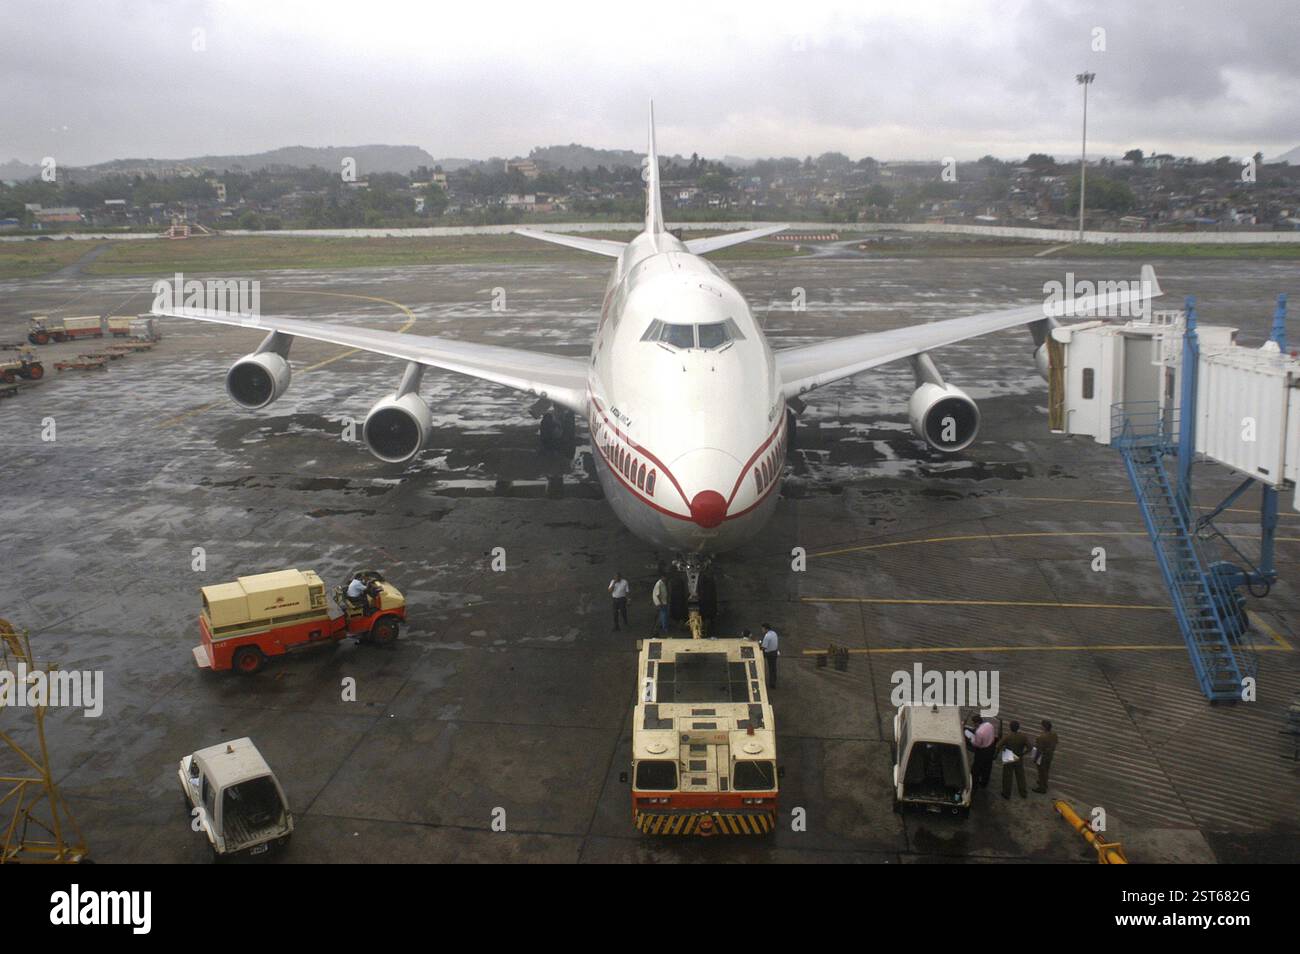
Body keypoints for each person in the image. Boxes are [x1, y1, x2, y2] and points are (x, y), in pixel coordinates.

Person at [997, 720, 1031, 799]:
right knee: (1020, 775)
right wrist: (1023, 753)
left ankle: (1006, 793)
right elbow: (1030, 748)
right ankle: (1023, 793)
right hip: (1019, 756)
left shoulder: (1008, 736)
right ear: (1018, 727)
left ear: (1010, 727)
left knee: (1007, 776)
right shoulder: (1023, 737)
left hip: (1008, 755)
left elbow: (998, 745)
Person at [966, 715, 996, 789]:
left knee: (976, 768)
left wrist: (971, 739)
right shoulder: (989, 725)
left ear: (976, 723)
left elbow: (977, 744)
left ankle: (973, 784)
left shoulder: (979, 732)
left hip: (982, 752)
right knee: (987, 768)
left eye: (973, 723)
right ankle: (984, 783)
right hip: (991, 748)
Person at [1032, 720, 1059, 793]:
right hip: (1050, 755)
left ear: (1044, 727)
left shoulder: (1042, 737)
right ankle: (1045, 783)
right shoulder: (1054, 734)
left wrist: (1035, 759)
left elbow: (1039, 750)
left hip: (1042, 757)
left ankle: (1042, 788)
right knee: (1046, 770)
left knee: (1041, 772)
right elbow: (1055, 744)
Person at [760, 623, 779, 688]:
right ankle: (773, 682)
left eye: (762, 628)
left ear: (766, 628)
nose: (762, 630)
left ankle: (770, 683)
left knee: (770, 667)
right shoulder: (774, 633)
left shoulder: (767, 636)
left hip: (769, 653)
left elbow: (764, 647)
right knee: (773, 668)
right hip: (775, 652)